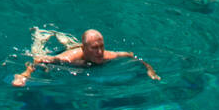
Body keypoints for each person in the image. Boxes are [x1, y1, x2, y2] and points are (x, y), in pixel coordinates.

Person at [12, 29, 160, 86]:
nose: (100, 52)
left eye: (101, 46)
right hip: (73, 52)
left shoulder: (109, 55)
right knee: (38, 52)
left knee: (71, 42)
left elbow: (133, 56)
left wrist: (150, 70)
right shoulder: (68, 59)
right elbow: (38, 60)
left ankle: (62, 36)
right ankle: (40, 35)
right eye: (95, 48)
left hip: (81, 47)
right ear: (85, 49)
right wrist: (24, 75)